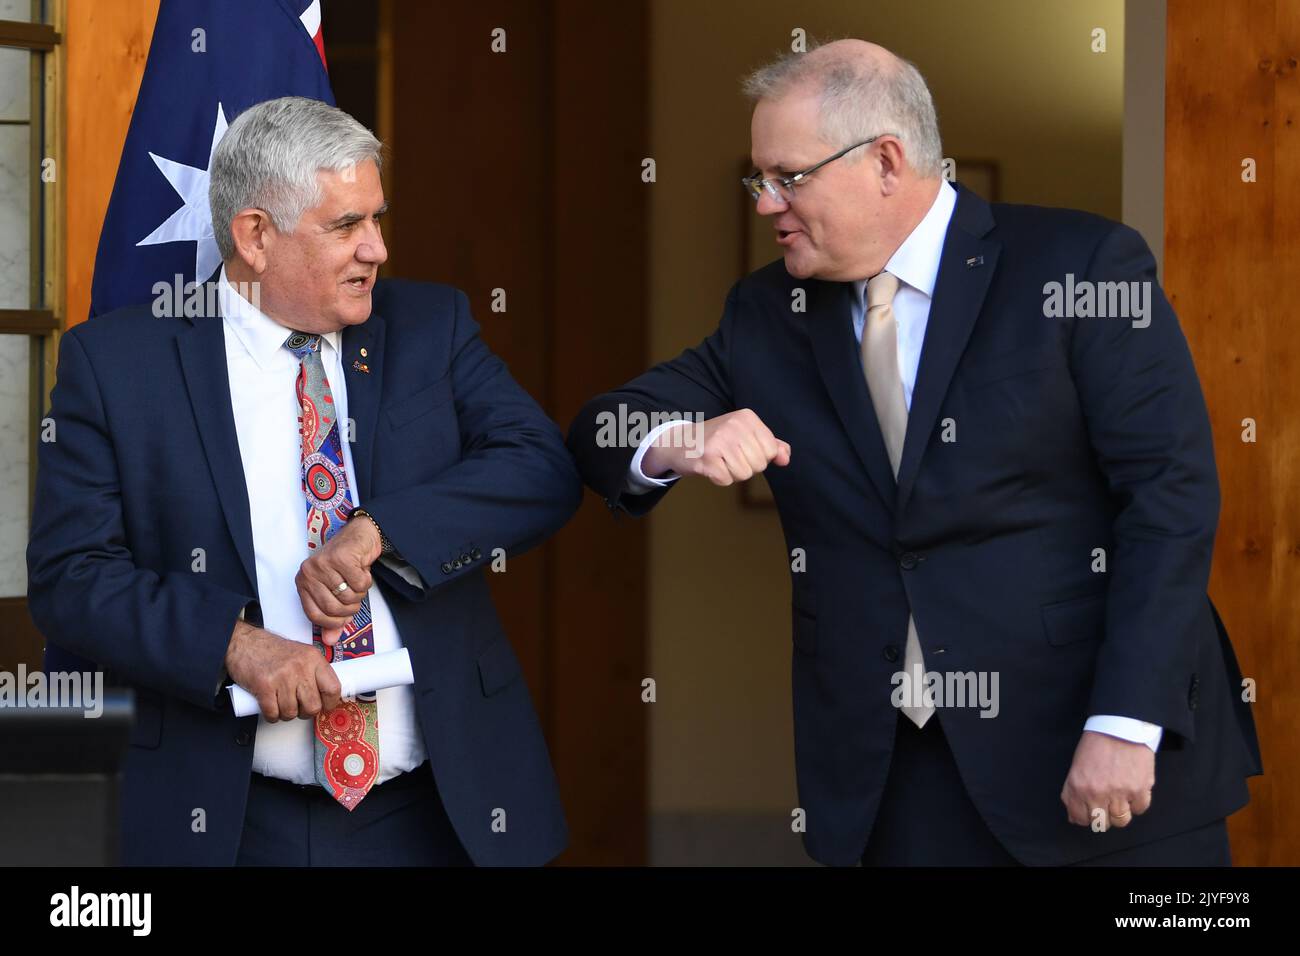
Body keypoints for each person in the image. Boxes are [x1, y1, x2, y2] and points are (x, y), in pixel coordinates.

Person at [566, 40, 1261, 866]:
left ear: (886, 161)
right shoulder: (765, 313)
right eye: (760, 180)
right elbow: (602, 427)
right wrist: (680, 439)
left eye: (788, 177)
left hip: (1101, 755)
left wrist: (1124, 721)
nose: (766, 204)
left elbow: (1170, 497)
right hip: (894, 782)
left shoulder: (1082, 266)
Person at [27, 96, 580, 866]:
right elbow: (70, 580)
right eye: (346, 226)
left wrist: (378, 531)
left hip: (438, 812)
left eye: (378, 218)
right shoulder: (117, 367)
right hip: (228, 818)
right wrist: (234, 644)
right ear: (255, 235)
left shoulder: (431, 327)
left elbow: (541, 468)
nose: (378, 249)